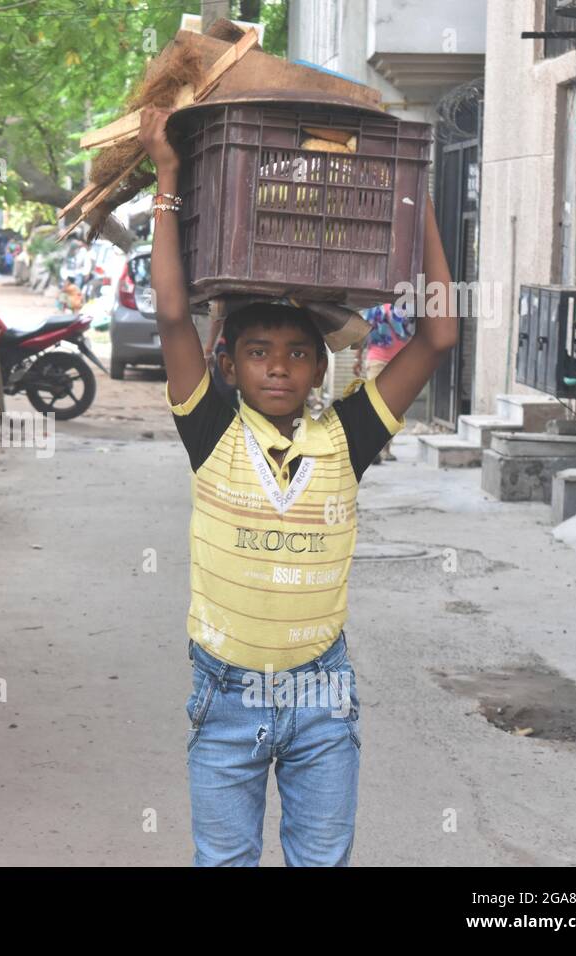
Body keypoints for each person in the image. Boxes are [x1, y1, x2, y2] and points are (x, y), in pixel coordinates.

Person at [138, 104, 458, 867]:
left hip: (322, 696)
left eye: (294, 353)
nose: (277, 366)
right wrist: (167, 178)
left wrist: (417, 206)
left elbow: (439, 335)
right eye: (256, 352)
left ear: (321, 367)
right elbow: (175, 313)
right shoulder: (210, 429)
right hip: (224, 695)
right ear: (230, 365)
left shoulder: (347, 436)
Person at [352, 302, 414, 463]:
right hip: (377, 360)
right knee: (375, 405)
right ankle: (373, 448)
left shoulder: (407, 306)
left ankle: (386, 449)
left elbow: (415, 334)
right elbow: (361, 334)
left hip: (402, 362)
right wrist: (357, 358)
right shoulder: (373, 307)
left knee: (395, 407)